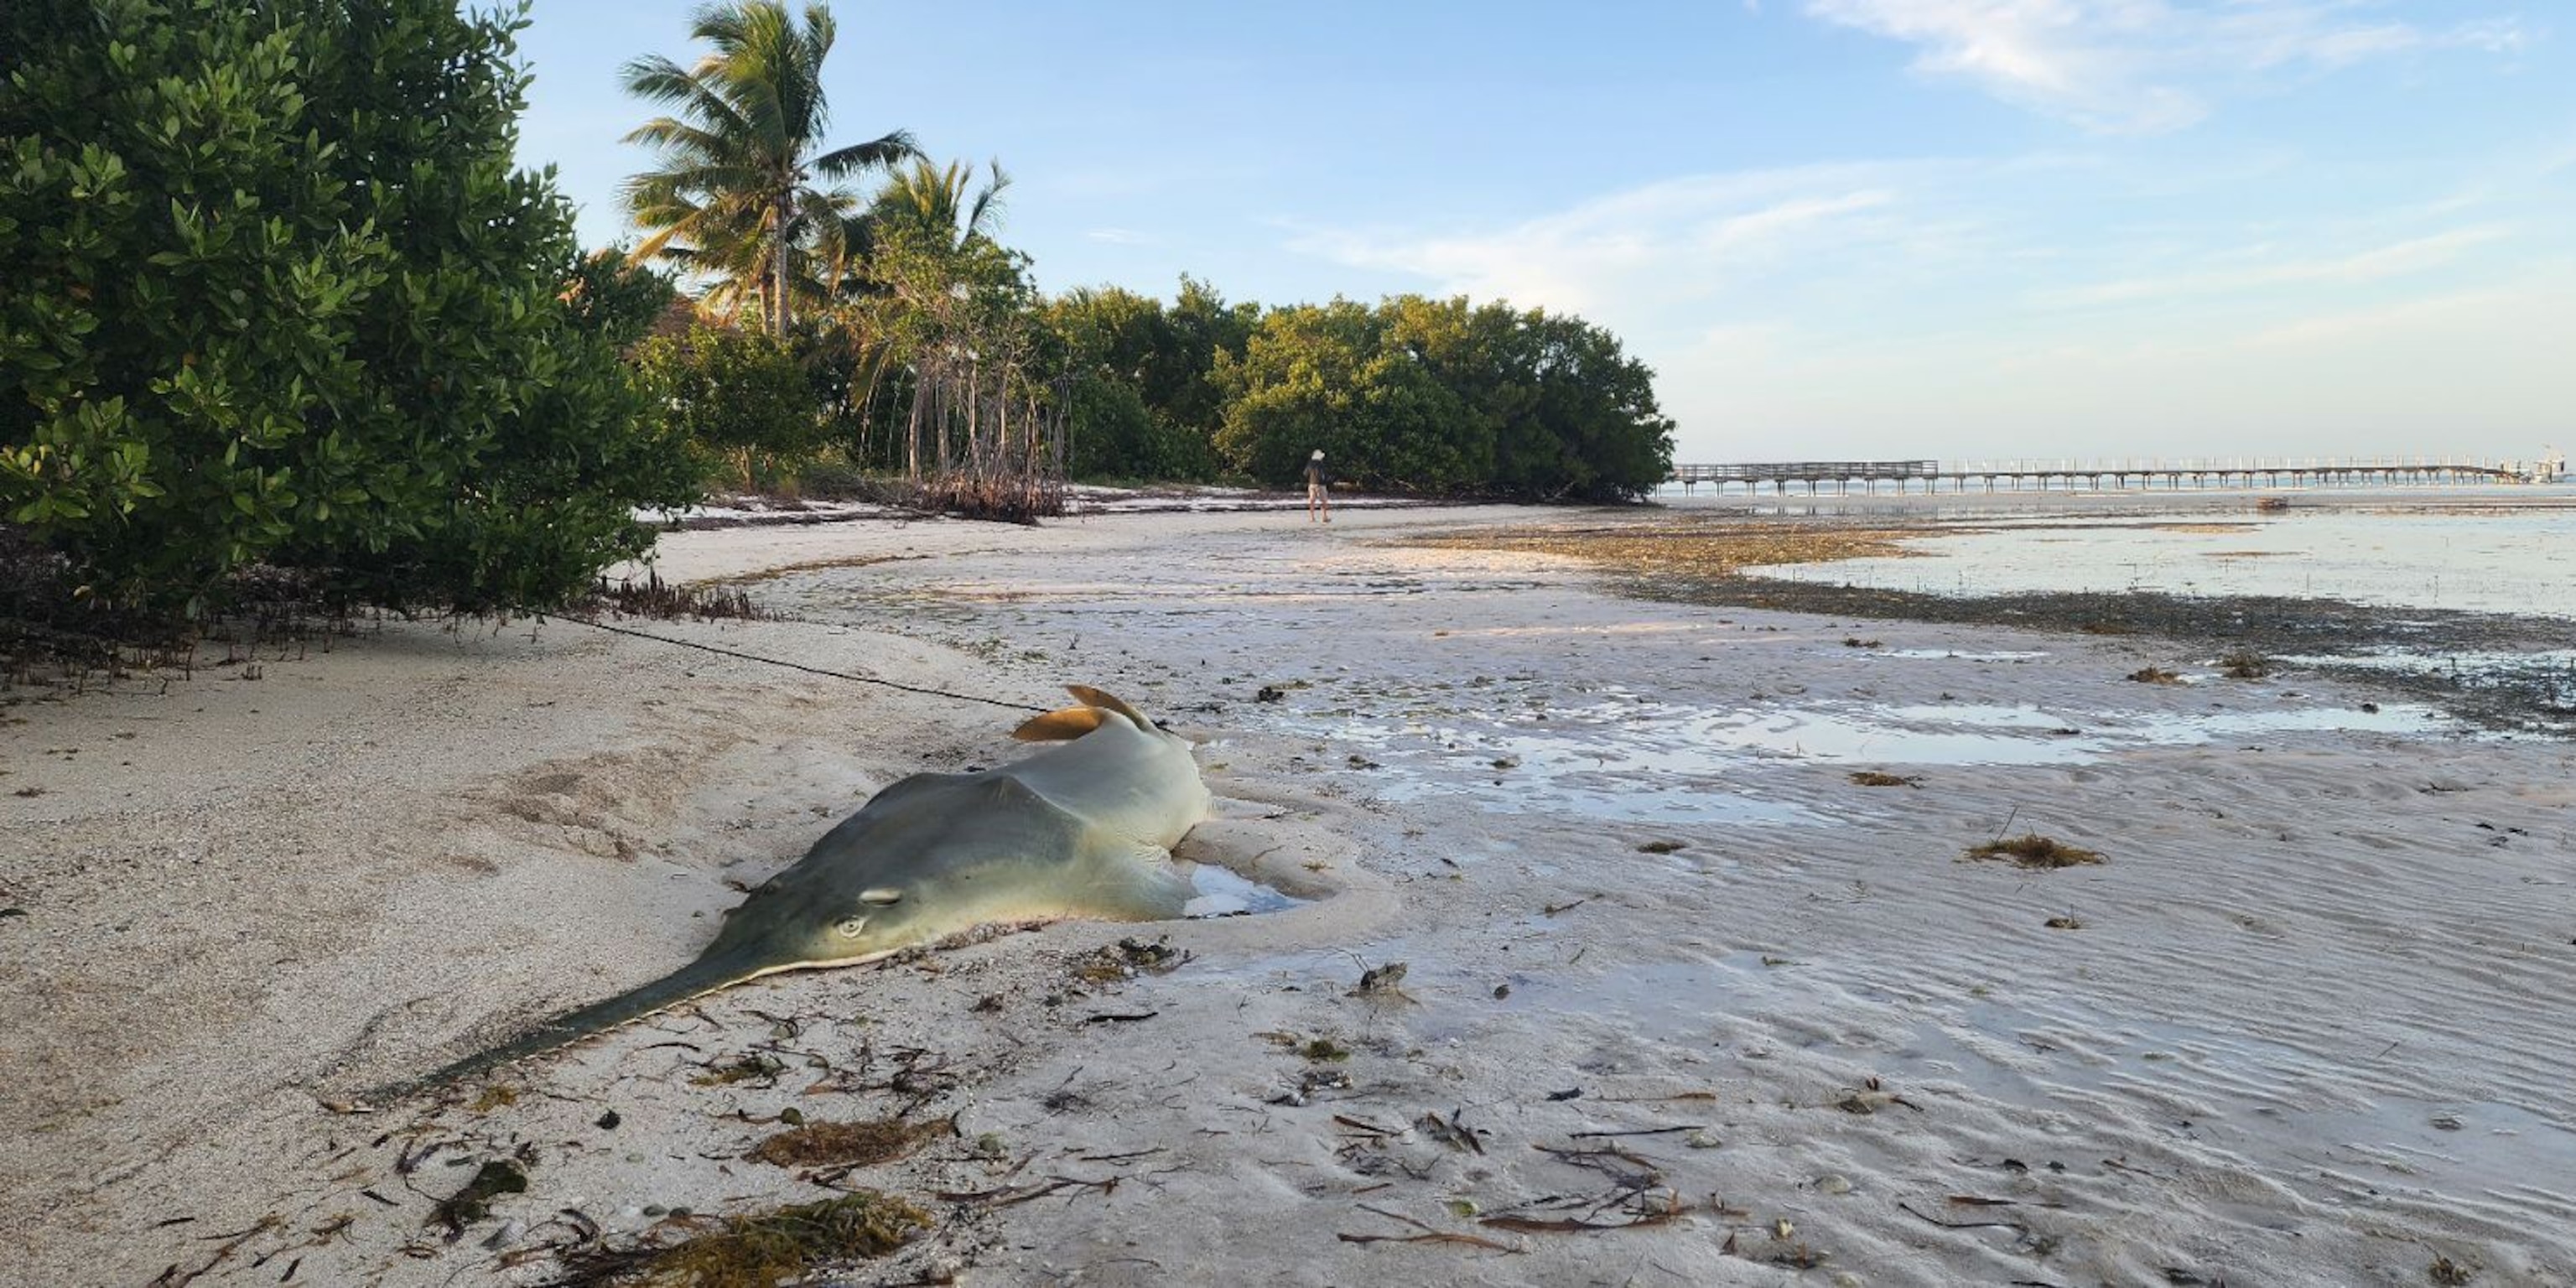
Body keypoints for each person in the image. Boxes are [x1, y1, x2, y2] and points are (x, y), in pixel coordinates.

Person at [1304, 449, 1331, 523]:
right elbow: (1325, 475)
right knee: (1324, 501)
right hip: (1321, 484)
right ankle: (1324, 517)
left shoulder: (1310, 464)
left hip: (1312, 484)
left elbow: (1305, 474)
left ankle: (1312, 517)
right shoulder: (1321, 464)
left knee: (1312, 501)